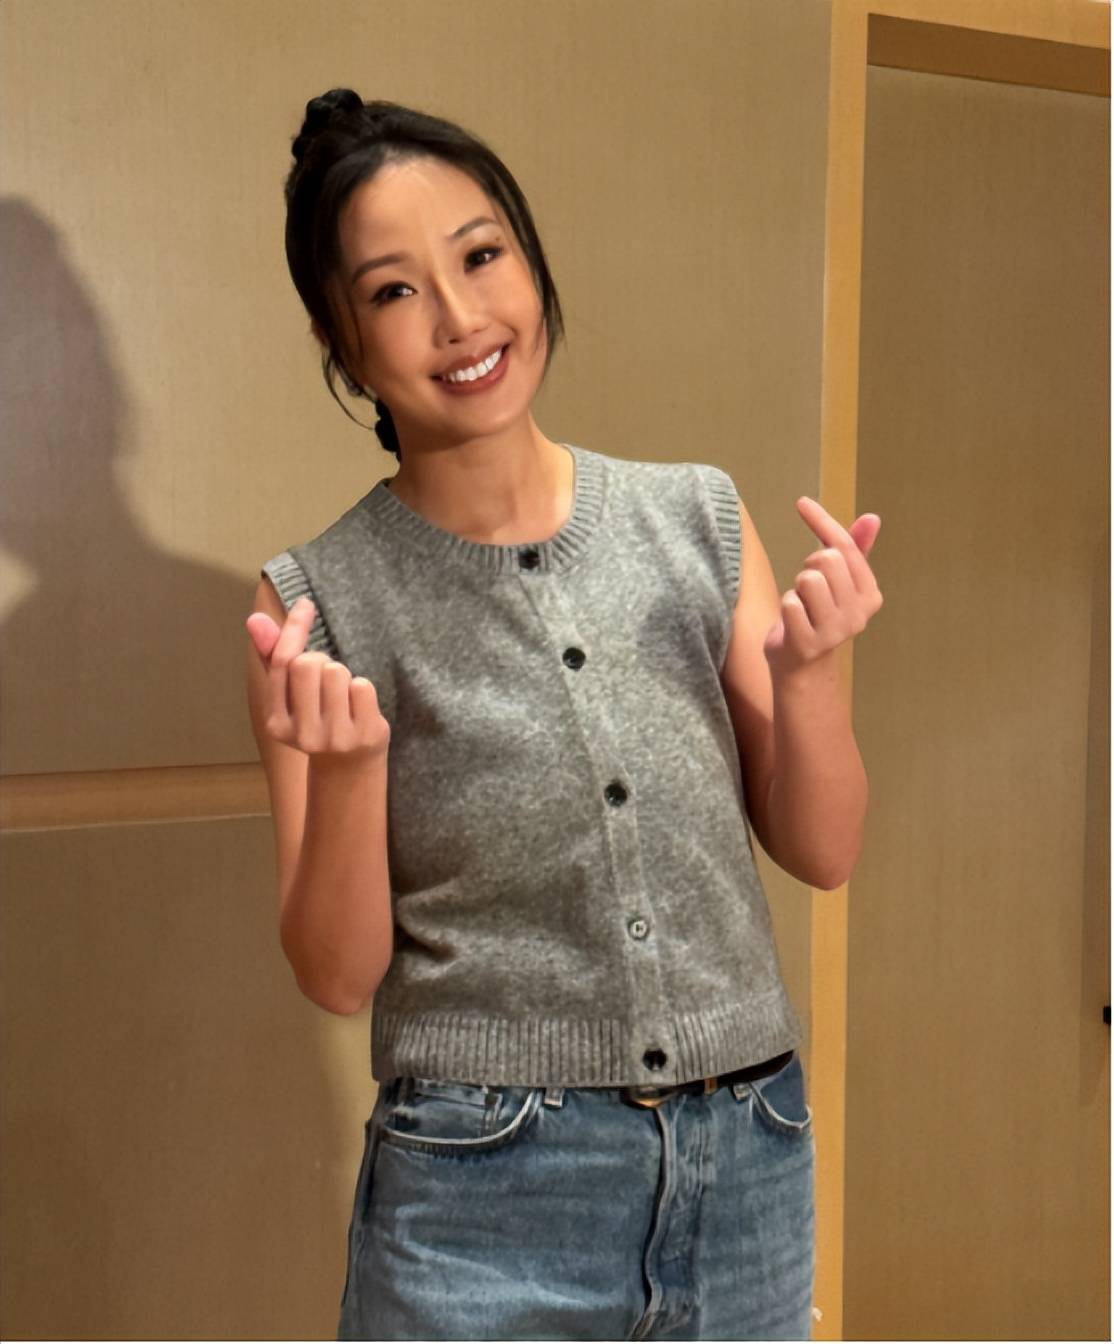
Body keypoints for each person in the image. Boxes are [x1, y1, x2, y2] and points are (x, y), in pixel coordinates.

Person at [244, 89, 883, 1343]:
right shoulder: (316, 600)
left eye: (481, 256)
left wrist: (810, 681)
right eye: (394, 290)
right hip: (479, 1193)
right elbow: (334, 973)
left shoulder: (695, 517)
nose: (460, 317)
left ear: (531, 262)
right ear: (343, 343)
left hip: (747, 1163)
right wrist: (356, 770)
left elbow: (825, 849)